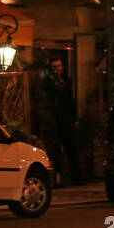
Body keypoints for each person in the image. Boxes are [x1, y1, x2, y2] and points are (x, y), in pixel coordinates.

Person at [41, 56, 82, 185]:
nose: (57, 69)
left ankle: (76, 177)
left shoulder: (66, 81)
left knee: (72, 148)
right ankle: (59, 178)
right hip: (55, 120)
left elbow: (71, 101)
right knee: (57, 150)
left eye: (59, 66)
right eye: (54, 67)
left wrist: (74, 118)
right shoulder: (48, 82)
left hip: (67, 119)